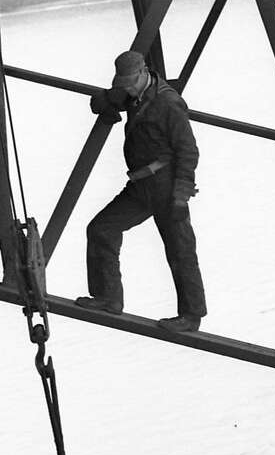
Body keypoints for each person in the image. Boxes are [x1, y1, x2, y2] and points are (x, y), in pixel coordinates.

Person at [76, 49, 206, 334]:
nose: (126, 89)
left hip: (167, 185)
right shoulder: (132, 93)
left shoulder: (169, 103)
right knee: (100, 229)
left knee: (180, 249)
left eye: (129, 83)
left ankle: (191, 316)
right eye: (121, 84)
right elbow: (100, 102)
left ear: (144, 73)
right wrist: (108, 101)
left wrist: (181, 194)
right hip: (140, 186)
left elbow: (188, 151)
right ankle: (108, 298)